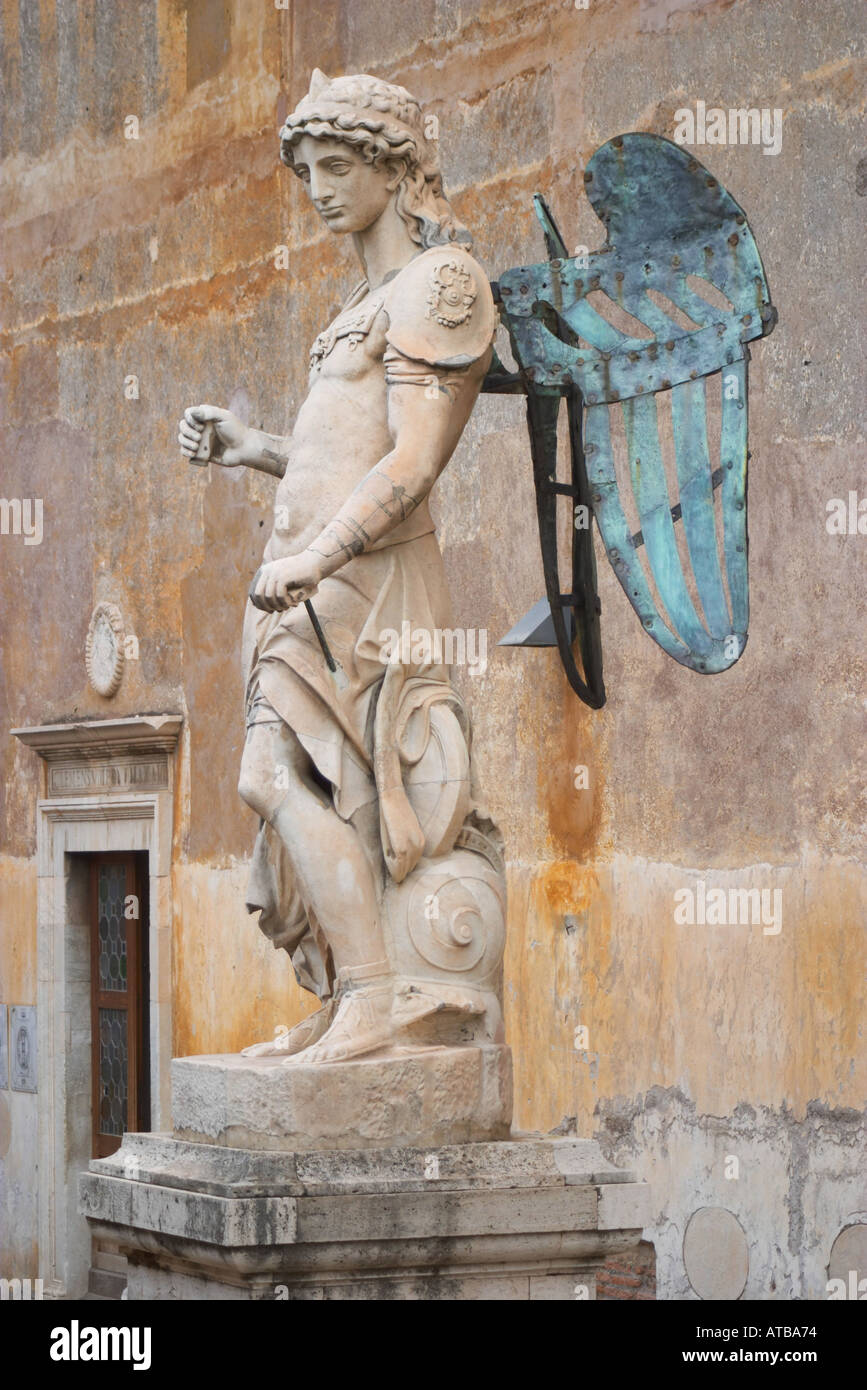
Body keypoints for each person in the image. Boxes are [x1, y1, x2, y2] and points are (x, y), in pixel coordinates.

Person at [178, 71, 497, 1064]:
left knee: (269, 776)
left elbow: (413, 459)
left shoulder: (442, 288)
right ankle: (351, 1001)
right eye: (308, 170)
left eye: (338, 166)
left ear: (394, 169)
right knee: (308, 790)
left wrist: (317, 555)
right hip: (304, 586)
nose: (317, 188)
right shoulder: (362, 301)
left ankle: (371, 998)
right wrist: (252, 447)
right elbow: (339, 451)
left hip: (366, 586)